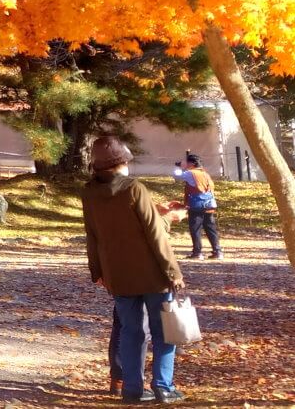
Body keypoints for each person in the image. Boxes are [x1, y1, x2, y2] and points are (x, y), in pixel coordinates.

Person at [82, 135, 186, 404]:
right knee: (163, 332)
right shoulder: (134, 188)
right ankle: (163, 386)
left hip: (118, 275)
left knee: (131, 332)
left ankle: (132, 389)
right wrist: (173, 272)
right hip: (152, 274)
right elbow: (155, 234)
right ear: (122, 163)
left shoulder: (89, 192)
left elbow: (92, 235)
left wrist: (98, 272)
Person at [172, 153, 221, 260]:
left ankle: (197, 253)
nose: (185, 164)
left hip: (196, 204)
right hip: (209, 204)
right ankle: (217, 252)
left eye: (187, 162)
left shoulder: (190, 173)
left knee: (195, 229)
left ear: (192, 163)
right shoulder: (205, 174)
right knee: (210, 228)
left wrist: (179, 167)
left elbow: (176, 176)